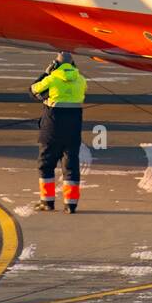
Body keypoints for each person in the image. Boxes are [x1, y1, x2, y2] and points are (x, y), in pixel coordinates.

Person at [30, 51, 86, 213]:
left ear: (55, 65)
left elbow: (32, 90)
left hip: (51, 130)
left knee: (46, 165)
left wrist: (45, 73)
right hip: (73, 131)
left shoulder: (52, 79)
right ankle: (71, 204)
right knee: (71, 166)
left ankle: (47, 202)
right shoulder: (81, 80)